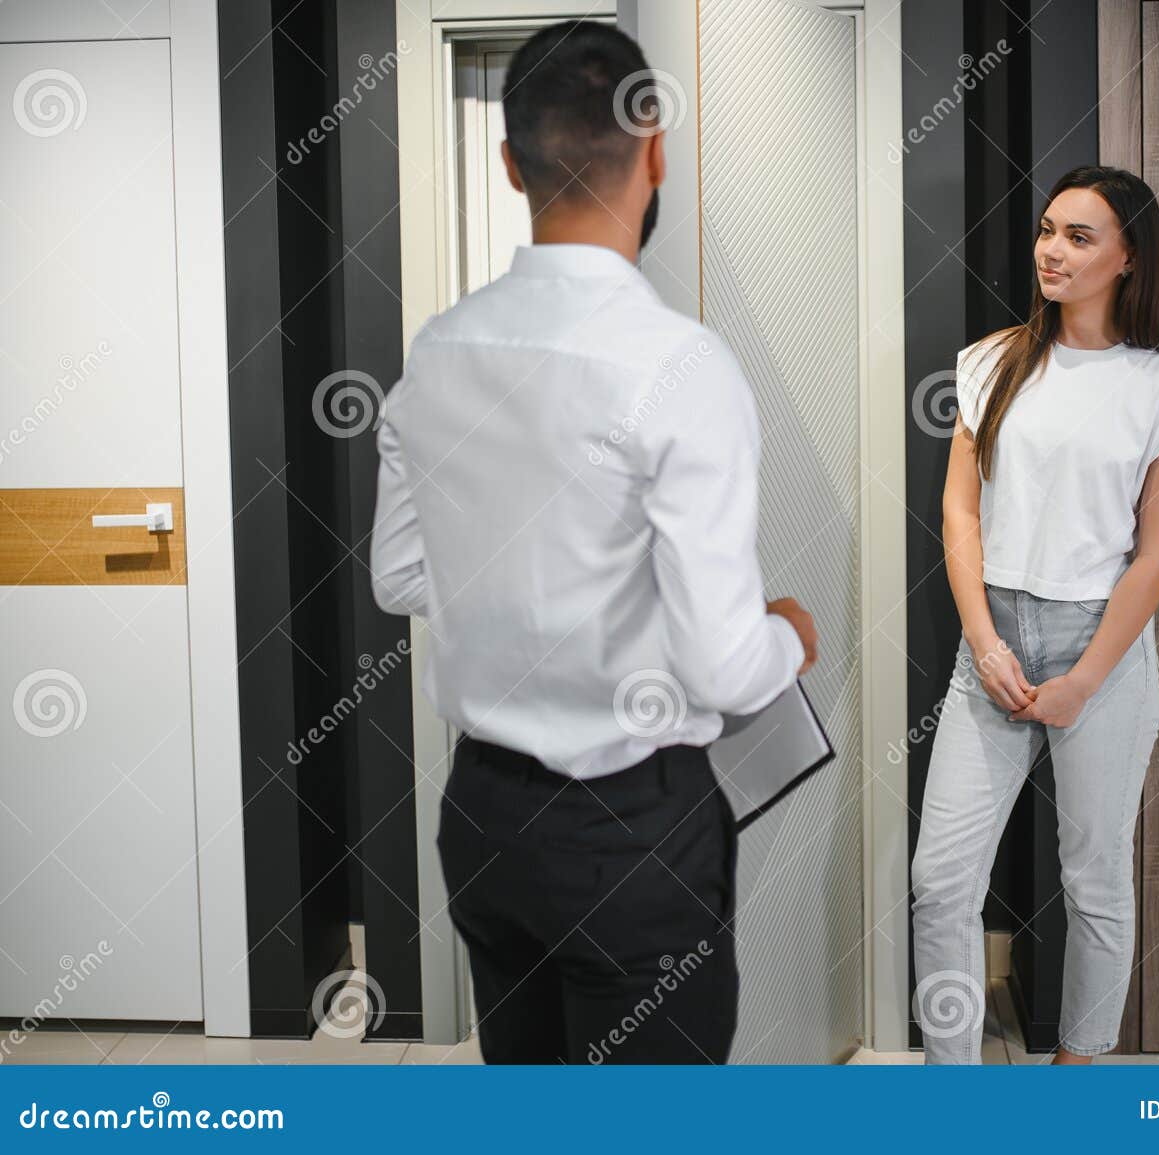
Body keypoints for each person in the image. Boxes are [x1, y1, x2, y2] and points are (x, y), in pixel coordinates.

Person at [368, 20, 817, 1064]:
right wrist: (790, 633)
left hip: (482, 820)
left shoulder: (437, 352)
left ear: (509, 161)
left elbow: (397, 576)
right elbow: (723, 665)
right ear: (655, 151)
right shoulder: (680, 364)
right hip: (630, 833)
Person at [910, 165, 1159, 1064]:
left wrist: (1083, 680)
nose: (1053, 249)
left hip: (1102, 648)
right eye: (1049, 230)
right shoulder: (992, 360)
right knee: (940, 880)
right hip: (994, 640)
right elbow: (961, 510)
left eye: (1080, 237)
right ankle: (950, 1084)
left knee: (1094, 882)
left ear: (1128, 258)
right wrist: (982, 638)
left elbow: (1156, 553)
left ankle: (1078, 1076)